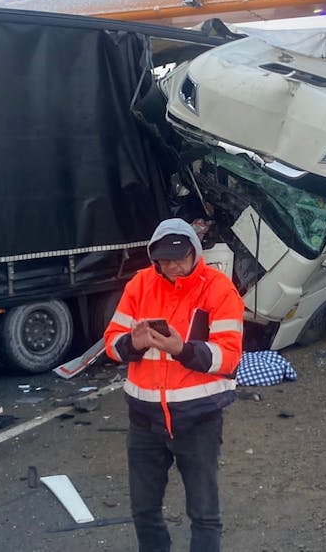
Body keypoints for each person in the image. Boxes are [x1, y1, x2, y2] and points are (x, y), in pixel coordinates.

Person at [104, 218, 245, 552]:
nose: (172, 267)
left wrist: (181, 350)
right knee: (144, 510)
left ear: (195, 253)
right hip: (144, 420)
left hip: (198, 419)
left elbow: (228, 356)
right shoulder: (140, 285)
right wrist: (134, 344)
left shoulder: (219, 289)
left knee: (204, 514)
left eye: (178, 258)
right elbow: (111, 343)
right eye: (164, 260)